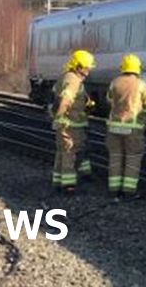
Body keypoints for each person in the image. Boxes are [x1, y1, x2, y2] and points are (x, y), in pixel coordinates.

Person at [106, 53, 146, 200]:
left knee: (115, 158)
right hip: (132, 128)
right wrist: (144, 120)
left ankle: (114, 189)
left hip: (114, 127)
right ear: (137, 68)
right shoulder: (141, 84)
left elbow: (108, 99)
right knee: (132, 159)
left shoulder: (115, 82)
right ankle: (129, 191)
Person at [51, 50, 95, 194]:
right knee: (70, 153)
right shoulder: (73, 80)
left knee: (62, 152)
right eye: (86, 67)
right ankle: (68, 185)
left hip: (70, 122)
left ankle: (57, 181)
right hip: (70, 125)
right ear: (78, 66)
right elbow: (66, 99)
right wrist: (60, 118)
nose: (88, 71)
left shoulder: (66, 76)